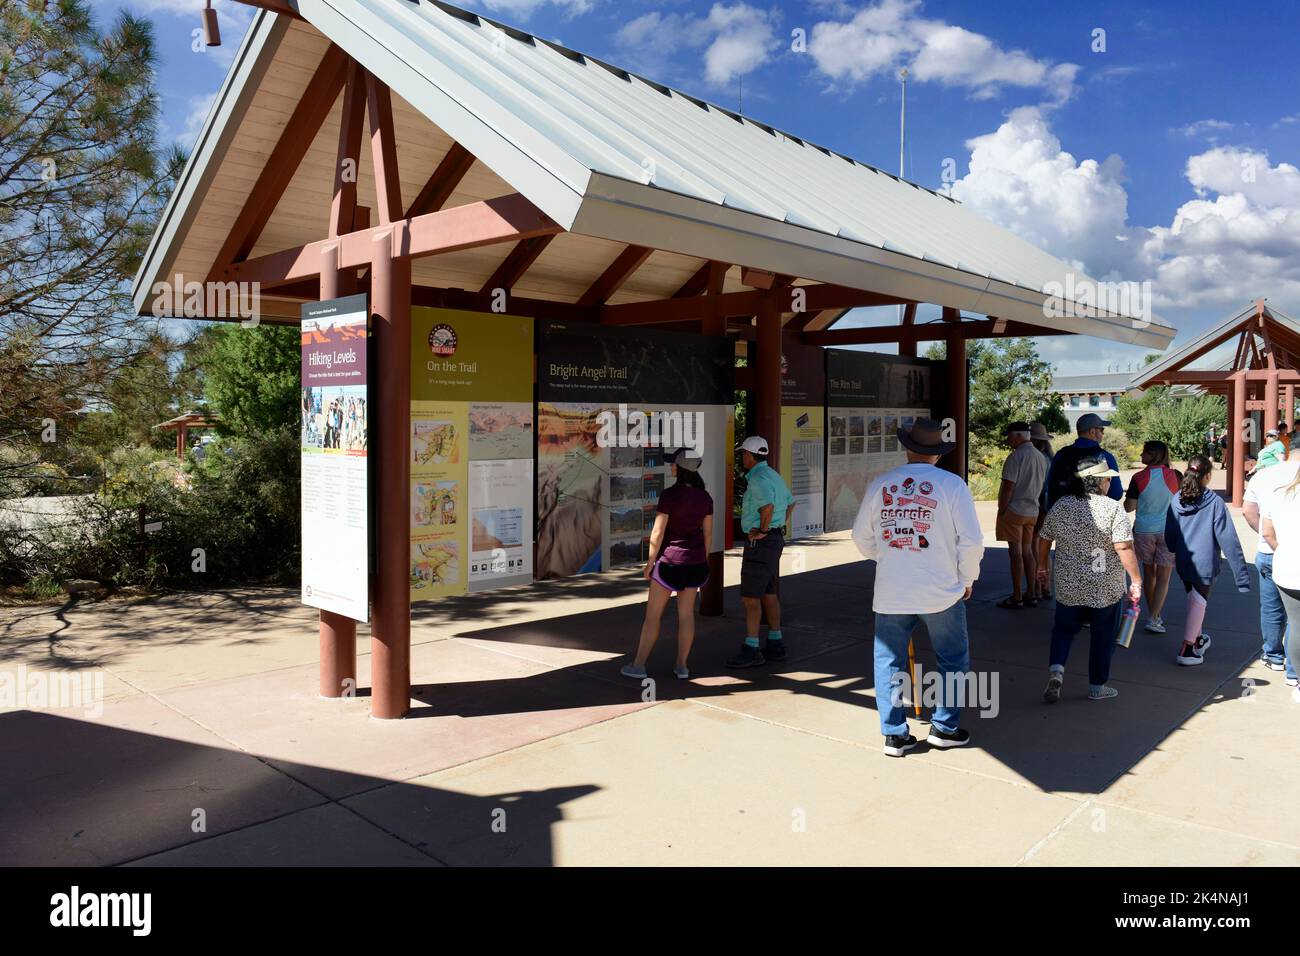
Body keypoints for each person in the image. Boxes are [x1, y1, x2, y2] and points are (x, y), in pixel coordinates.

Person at [852, 418, 984, 756]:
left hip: (892, 589)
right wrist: (967, 579)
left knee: (888, 660)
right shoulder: (952, 486)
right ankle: (944, 727)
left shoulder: (881, 484)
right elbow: (971, 542)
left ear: (908, 449)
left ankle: (894, 734)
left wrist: (885, 558)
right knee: (952, 659)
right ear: (937, 454)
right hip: (941, 590)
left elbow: (861, 537)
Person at [1035, 456, 1142, 702]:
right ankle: (1097, 686)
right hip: (1105, 587)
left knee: (1063, 630)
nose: (1108, 484)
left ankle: (1057, 671)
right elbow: (1124, 548)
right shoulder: (1112, 508)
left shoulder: (1062, 505)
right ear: (1099, 482)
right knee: (1102, 636)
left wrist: (1042, 567)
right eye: (1106, 479)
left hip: (1067, 584)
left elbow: (1044, 538)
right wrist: (1136, 579)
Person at [621, 449, 714, 681]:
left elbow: (658, 533)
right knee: (686, 615)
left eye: (673, 463)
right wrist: (703, 560)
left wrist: (650, 564)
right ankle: (682, 666)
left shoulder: (670, 495)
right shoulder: (705, 498)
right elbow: (708, 536)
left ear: (680, 468)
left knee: (653, 616)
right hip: (695, 563)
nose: (671, 466)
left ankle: (638, 665)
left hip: (669, 563)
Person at [1164, 455, 1251, 666]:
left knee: (1194, 601)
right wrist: (1241, 576)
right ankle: (1187, 648)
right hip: (1204, 562)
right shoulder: (1215, 503)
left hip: (1184, 561)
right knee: (1199, 601)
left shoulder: (1176, 499)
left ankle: (1197, 639)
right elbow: (1228, 538)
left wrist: (1174, 548)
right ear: (1208, 476)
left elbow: (1170, 533)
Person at [726, 435, 795, 668]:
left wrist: (764, 530)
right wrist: (776, 526)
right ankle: (776, 643)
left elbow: (767, 506)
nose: (742, 457)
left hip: (762, 544)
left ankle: (752, 647)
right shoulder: (773, 475)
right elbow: (791, 502)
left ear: (749, 455)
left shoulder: (757, 478)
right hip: (774, 541)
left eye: (743, 453)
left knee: (750, 597)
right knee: (768, 592)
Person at [1243, 454, 1299, 685]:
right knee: (1296, 620)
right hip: (1292, 556)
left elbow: (1248, 511)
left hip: (1269, 551)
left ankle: (1274, 656)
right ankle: (1294, 672)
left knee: (1271, 607)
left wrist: (1275, 544)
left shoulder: (1264, 474)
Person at [1123, 440, 1181, 633]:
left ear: (1152, 455)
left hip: (1143, 530)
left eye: (1144, 453)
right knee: (1164, 577)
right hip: (1168, 530)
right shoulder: (1176, 476)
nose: (1140, 456)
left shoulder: (1138, 477)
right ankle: (1154, 617)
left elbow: (1129, 507)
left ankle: (1153, 614)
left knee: (1149, 573)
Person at [995, 421, 1048, 608]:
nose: (1009, 440)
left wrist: (1002, 508)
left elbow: (1008, 486)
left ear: (1018, 435)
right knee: (1028, 551)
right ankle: (1032, 593)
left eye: (1009, 436)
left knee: (1015, 553)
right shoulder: (1040, 457)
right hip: (1032, 510)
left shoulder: (1016, 457)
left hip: (1014, 510)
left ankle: (1017, 596)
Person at [1259, 469, 1300, 698]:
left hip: (1286, 569)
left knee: (1296, 625)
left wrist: (1284, 552)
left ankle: (1296, 679)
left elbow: (1267, 532)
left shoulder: (1278, 495)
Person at [1046, 413, 1122, 510]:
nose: (1103, 433)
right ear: (1092, 431)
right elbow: (1116, 494)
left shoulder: (1061, 454)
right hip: (1095, 516)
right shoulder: (1105, 457)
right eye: (1102, 430)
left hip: (1062, 514)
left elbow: (1051, 487)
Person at [1029, 423, 1055, 601]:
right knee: (1044, 547)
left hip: (1039, 504)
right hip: (1050, 504)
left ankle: (1037, 587)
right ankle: (1046, 586)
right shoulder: (1050, 458)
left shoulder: (1036, 458)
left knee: (1035, 545)